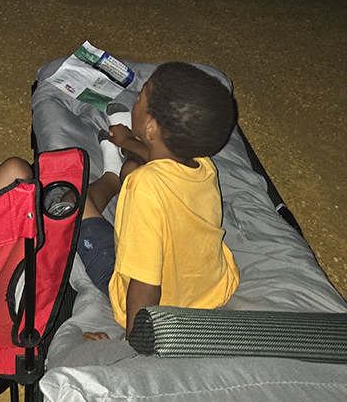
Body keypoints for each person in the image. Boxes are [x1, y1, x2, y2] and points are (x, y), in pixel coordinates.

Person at [77, 61, 240, 340]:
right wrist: (129, 142)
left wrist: (133, 340)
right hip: (207, 292)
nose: (136, 100)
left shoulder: (144, 188)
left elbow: (145, 283)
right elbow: (165, 161)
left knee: (72, 200)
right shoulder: (204, 165)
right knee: (135, 168)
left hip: (159, 305)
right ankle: (124, 164)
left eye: (140, 97)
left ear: (151, 128)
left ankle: (111, 178)